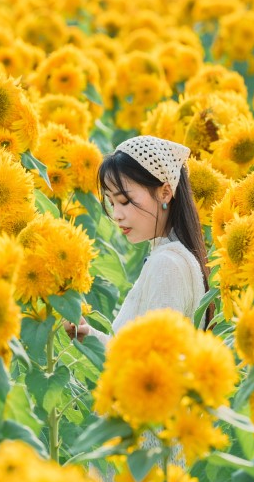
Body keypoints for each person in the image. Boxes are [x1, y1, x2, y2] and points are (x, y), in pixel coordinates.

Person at [64, 135, 209, 345]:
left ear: (165, 193)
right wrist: (88, 337)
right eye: (112, 204)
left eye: (124, 200)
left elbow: (156, 363)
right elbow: (134, 355)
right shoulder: (173, 257)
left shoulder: (167, 264)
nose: (117, 215)